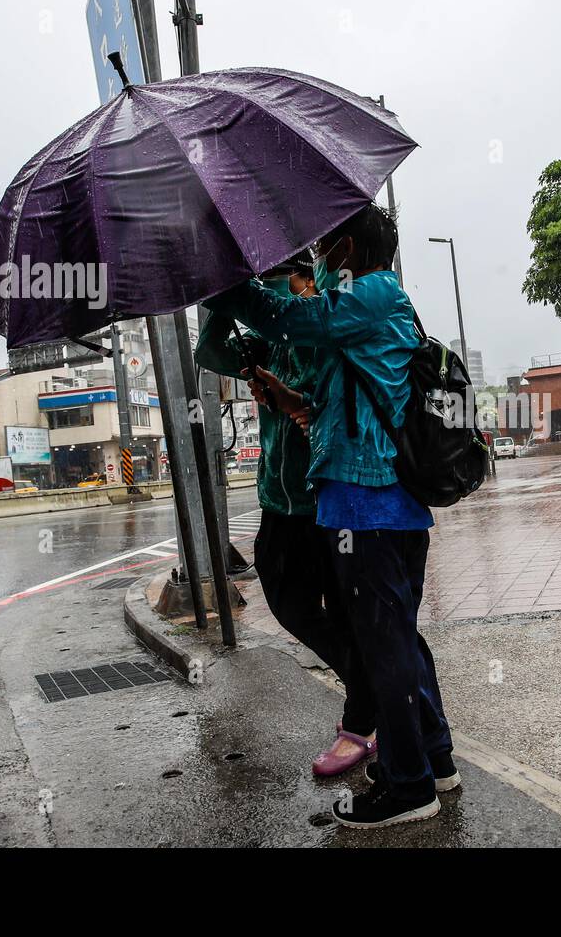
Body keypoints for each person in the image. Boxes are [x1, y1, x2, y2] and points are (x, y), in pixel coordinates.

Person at [204, 204, 457, 830]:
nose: (315, 258)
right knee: (397, 639)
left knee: (386, 645)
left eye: (321, 247)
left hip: (368, 503)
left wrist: (229, 280)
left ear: (343, 250)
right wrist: (290, 399)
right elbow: (342, 409)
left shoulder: (368, 293)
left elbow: (290, 317)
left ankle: (407, 788)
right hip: (375, 502)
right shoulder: (371, 307)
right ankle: (435, 758)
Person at [195, 255, 380, 779]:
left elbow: (317, 398)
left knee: (347, 610)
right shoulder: (264, 342)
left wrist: (253, 302)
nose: (281, 286)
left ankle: (361, 716)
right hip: (278, 503)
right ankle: (368, 682)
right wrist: (223, 297)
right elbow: (209, 350)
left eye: (288, 277)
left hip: (324, 497)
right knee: (287, 601)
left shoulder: (317, 326)